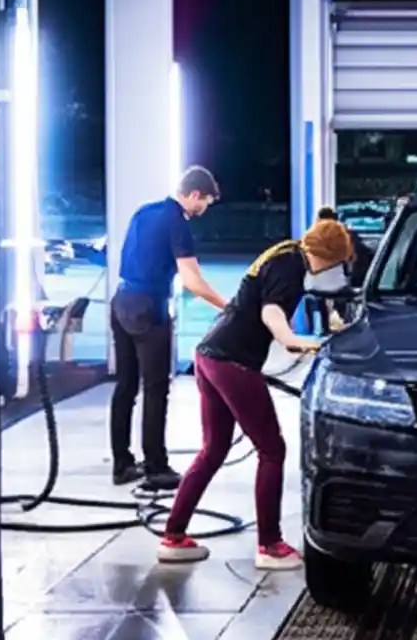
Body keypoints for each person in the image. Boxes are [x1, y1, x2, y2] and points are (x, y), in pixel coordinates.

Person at [156, 217, 355, 568]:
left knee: (214, 449)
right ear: (328, 256)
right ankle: (270, 545)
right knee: (272, 449)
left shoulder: (284, 253)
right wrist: (291, 339)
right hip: (233, 362)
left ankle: (174, 537)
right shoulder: (292, 267)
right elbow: (271, 311)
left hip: (209, 354)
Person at [110, 166, 229, 493]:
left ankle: (121, 464)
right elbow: (192, 280)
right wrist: (228, 306)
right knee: (156, 388)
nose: (204, 209)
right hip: (148, 308)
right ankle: (156, 468)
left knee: (126, 386)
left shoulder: (144, 212)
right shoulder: (178, 222)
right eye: (205, 202)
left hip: (121, 302)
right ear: (194, 195)